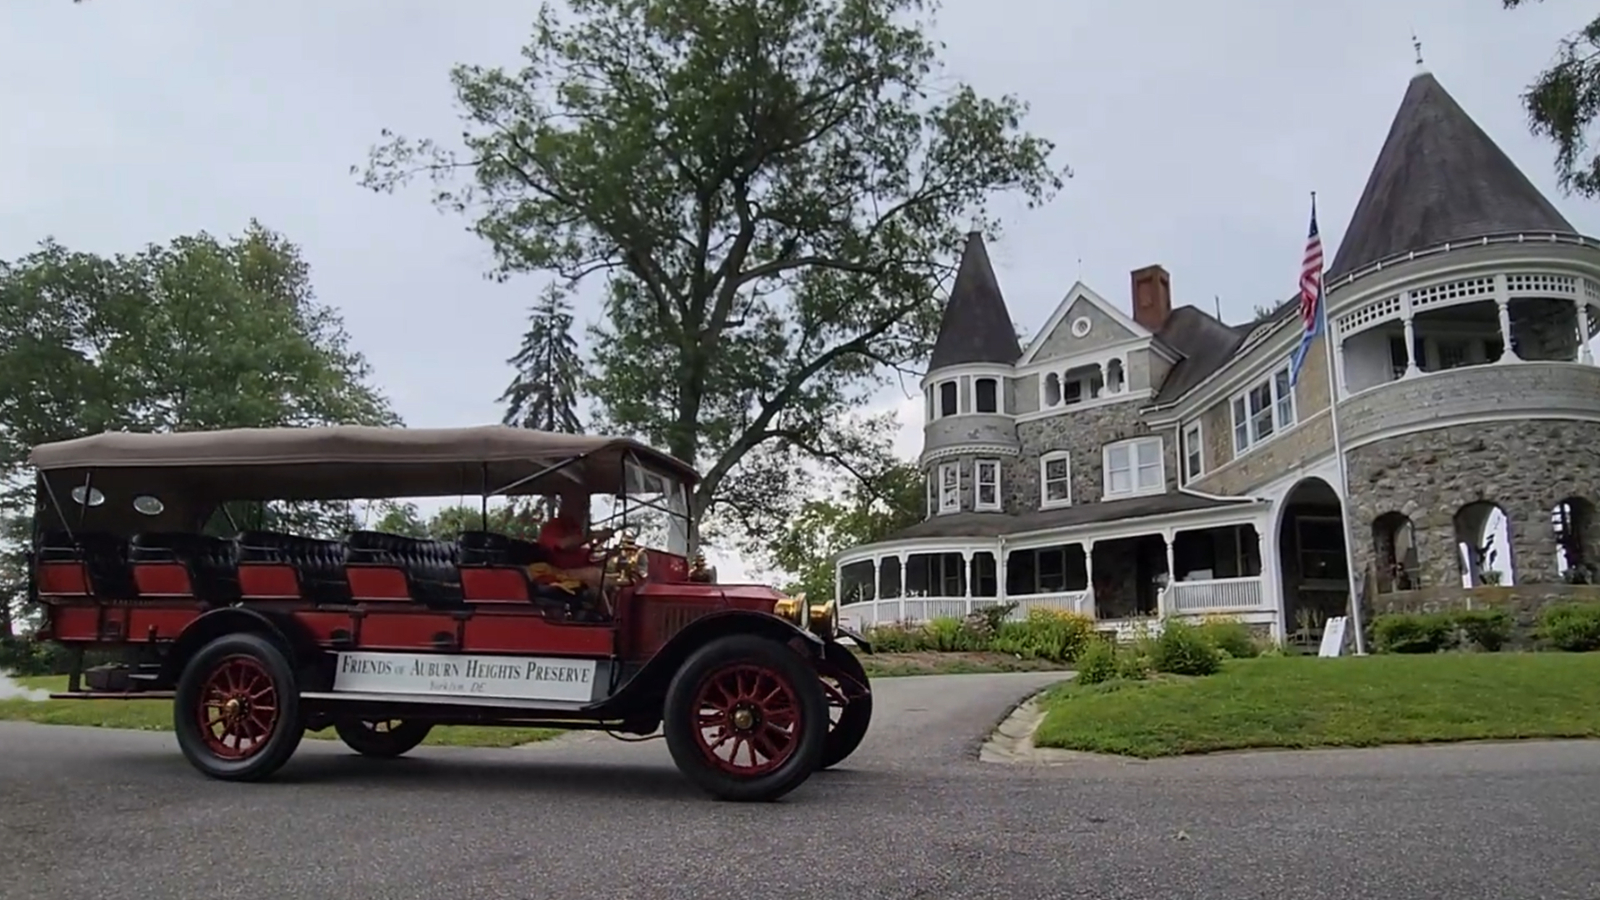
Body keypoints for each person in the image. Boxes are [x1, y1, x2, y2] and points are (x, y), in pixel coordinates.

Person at [529, 491, 613, 611]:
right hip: (556, 573)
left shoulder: (575, 528)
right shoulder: (552, 526)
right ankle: (609, 622)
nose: (585, 510)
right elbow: (563, 545)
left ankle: (612, 618)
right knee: (597, 576)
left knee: (612, 581)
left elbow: (587, 559)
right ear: (566, 505)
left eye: (586, 506)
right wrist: (593, 535)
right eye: (582, 505)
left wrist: (611, 554)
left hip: (574, 573)